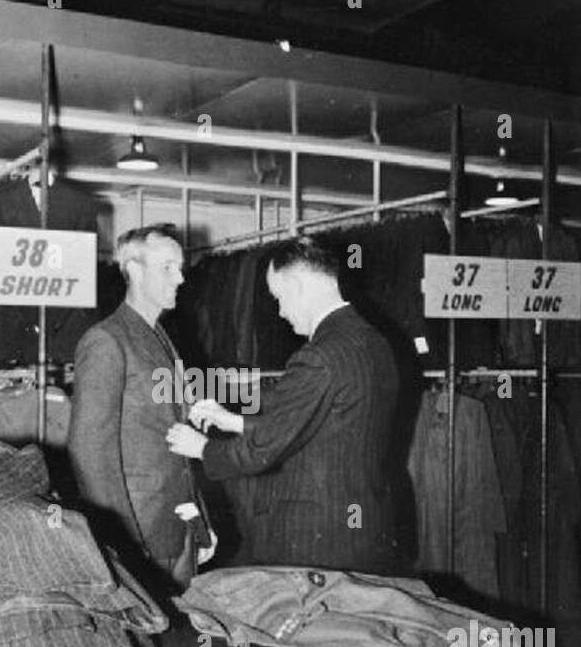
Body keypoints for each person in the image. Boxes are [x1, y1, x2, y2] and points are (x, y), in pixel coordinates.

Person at [166, 236, 400, 574]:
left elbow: (258, 453)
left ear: (294, 284)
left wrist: (202, 448)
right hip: (361, 522)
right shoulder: (373, 341)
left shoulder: (319, 355)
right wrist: (233, 420)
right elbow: (318, 424)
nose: (280, 312)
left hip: (317, 535)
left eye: (278, 298)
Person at [69, 223, 211, 593]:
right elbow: (90, 451)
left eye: (181, 267)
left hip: (177, 526)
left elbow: (173, 440)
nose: (180, 278)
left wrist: (200, 520)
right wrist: (119, 542)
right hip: (140, 531)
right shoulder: (106, 341)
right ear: (134, 269)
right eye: (168, 267)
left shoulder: (160, 337)